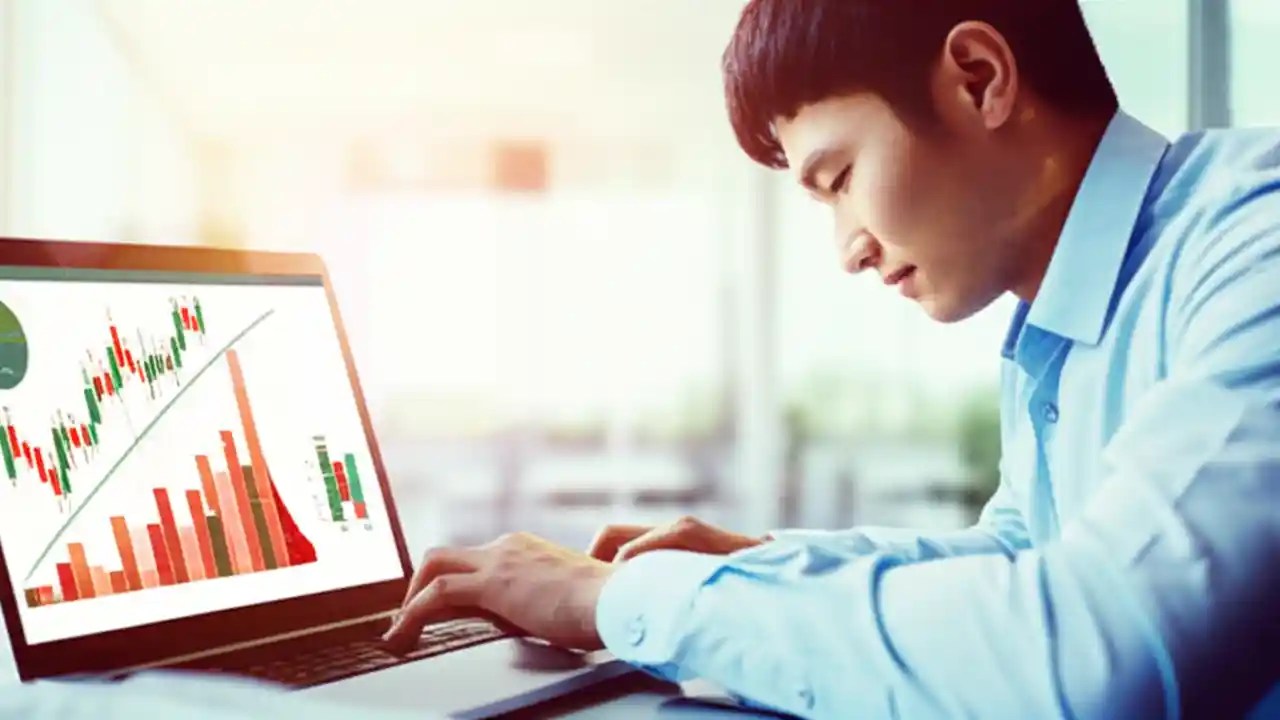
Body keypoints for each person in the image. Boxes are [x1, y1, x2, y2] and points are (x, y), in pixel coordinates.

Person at [383, 1, 1280, 716]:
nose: (847, 248)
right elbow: (1025, 551)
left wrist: (619, 603)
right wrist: (765, 564)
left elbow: (1092, 659)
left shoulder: (1257, 242)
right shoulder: (1073, 310)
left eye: (840, 178)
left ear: (979, 78)